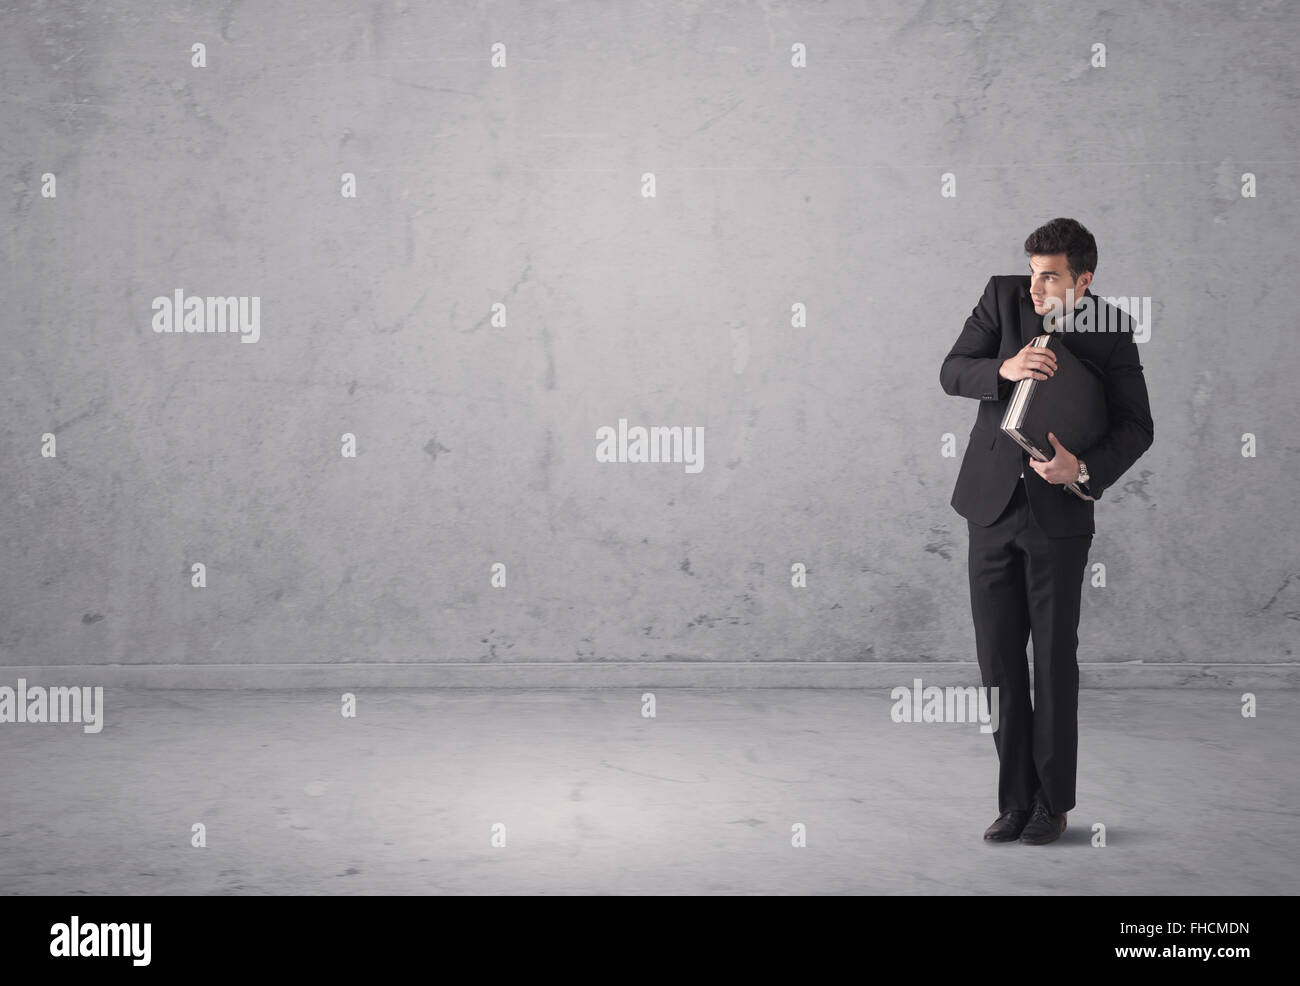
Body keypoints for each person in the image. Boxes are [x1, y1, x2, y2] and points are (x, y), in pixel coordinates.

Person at [939, 217, 1154, 845]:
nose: (1036, 289)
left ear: (1083, 279)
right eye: (1033, 273)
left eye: (1051, 277)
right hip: (989, 507)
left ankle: (1052, 804)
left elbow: (1137, 427)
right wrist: (1003, 369)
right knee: (998, 661)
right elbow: (952, 370)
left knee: (1054, 661)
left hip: (1059, 515)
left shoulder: (1111, 330)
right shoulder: (1001, 298)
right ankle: (1014, 801)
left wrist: (1080, 470)